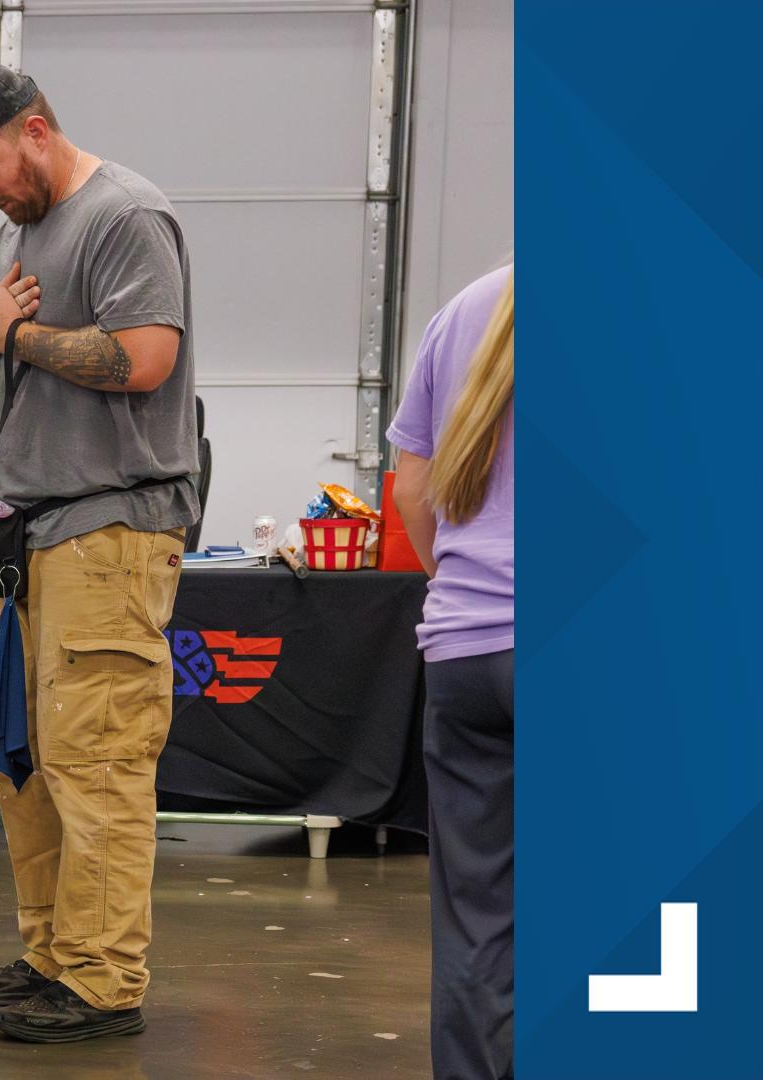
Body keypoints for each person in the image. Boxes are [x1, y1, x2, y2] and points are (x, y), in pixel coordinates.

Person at [0, 63, 199, 1044]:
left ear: (35, 131)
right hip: (28, 537)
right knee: (30, 765)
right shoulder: (21, 228)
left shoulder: (129, 217)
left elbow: (144, 359)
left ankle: (102, 979)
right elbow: (7, 359)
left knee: (98, 762)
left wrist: (21, 332)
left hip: (108, 533)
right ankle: (50, 955)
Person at [387, 264, 514, 1080]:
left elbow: (413, 493)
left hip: (466, 653)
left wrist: (469, 585)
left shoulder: (468, 306)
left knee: (478, 920)